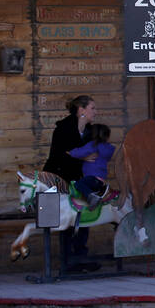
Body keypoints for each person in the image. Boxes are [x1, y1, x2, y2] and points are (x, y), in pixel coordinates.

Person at [42, 95, 96, 264]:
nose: (95, 112)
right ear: (81, 110)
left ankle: (80, 257)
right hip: (57, 179)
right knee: (64, 219)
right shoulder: (63, 129)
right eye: (92, 108)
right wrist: (82, 158)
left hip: (77, 180)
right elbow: (58, 156)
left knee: (83, 217)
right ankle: (66, 261)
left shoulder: (90, 132)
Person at [69, 124, 115, 211]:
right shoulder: (107, 148)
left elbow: (78, 153)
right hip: (100, 180)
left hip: (92, 178)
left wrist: (71, 152)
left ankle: (93, 198)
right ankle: (92, 196)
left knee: (78, 184)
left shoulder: (93, 145)